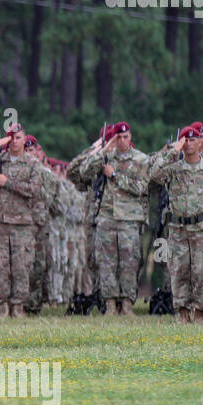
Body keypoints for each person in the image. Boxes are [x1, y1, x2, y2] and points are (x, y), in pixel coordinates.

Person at [148, 123, 203, 322]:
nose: (190, 143)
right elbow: (154, 174)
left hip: (202, 228)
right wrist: (173, 151)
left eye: (193, 139)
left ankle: (199, 312)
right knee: (179, 271)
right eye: (186, 140)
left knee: (201, 271)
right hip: (178, 229)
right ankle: (182, 312)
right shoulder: (173, 170)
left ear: (200, 141)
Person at [70, 121, 150, 315]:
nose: (121, 141)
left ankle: (127, 304)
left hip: (130, 219)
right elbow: (82, 171)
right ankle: (110, 304)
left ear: (130, 138)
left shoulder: (141, 160)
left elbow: (140, 188)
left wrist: (114, 175)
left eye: (125, 137)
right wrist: (102, 149)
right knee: (106, 263)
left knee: (129, 263)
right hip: (106, 217)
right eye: (118, 137)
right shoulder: (105, 157)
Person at [0, 123, 45, 317]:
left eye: (18, 138)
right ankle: (3, 306)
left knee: (21, 266)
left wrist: (9, 183)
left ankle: (18, 307)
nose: (14, 142)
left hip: (23, 223)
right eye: (11, 138)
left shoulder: (32, 164)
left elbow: (34, 190)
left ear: (25, 140)